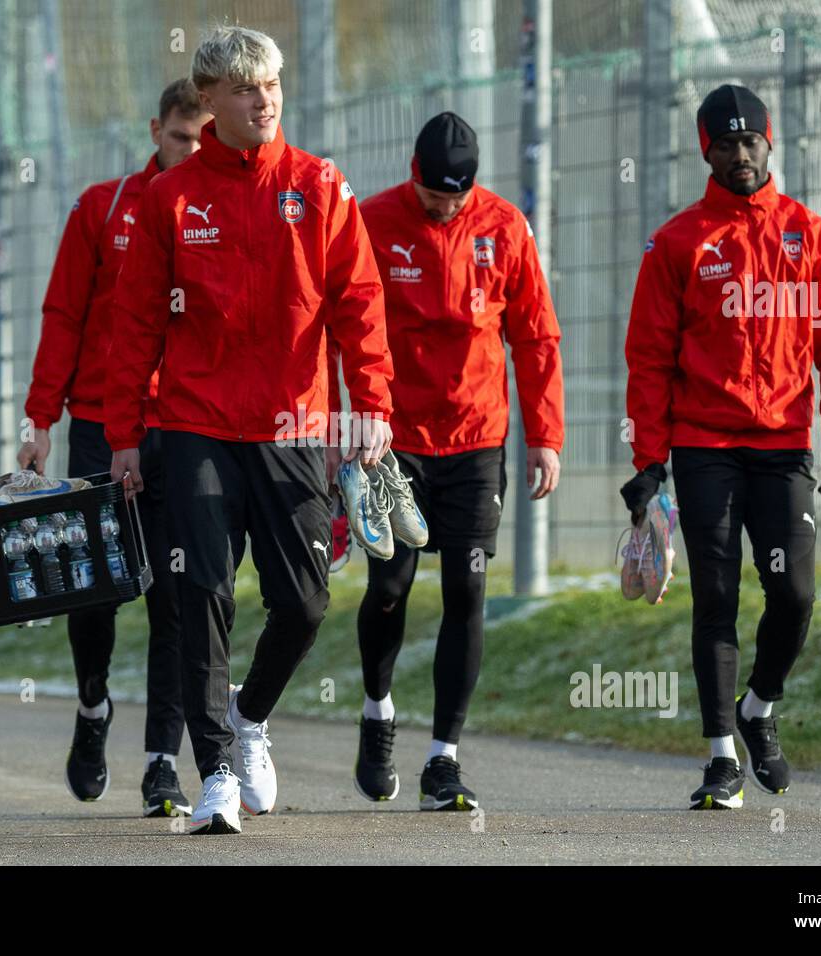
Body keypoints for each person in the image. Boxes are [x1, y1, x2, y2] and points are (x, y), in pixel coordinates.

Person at [104, 25, 394, 834]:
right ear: (209, 103)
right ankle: (217, 776)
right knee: (199, 594)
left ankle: (250, 715)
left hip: (294, 425)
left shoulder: (319, 185)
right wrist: (125, 433)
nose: (262, 99)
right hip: (193, 423)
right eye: (243, 89)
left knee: (303, 604)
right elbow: (132, 326)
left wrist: (370, 399)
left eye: (269, 85)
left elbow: (360, 302)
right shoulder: (171, 198)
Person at [621, 85, 821, 810]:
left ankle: (760, 705)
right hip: (705, 446)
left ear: (769, 143)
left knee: (793, 593)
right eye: (723, 144)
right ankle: (720, 757)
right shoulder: (678, 243)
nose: (739, 155)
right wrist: (649, 461)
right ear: (706, 150)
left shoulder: (811, 237)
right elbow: (649, 358)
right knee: (717, 597)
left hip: (785, 445)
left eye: (749, 142)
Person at [340, 113, 564, 810]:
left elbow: (535, 337)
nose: (443, 208)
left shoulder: (505, 227)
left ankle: (444, 759)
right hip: (393, 436)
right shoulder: (372, 221)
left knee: (467, 591)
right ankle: (378, 713)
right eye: (432, 195)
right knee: (390, 584)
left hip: (475, 435)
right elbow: (339, 321)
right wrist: (340, 421)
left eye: (454, 199)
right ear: (413, 172)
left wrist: (546, 435)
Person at [18, 79, 211, 818]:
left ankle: (162, 763)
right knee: (95, 591)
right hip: (101, 422)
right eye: (179, 138)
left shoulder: (217, 211)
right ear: (155, 128)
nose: (190, 152)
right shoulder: (103, 207)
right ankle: (93, 707)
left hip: (184, 425)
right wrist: (41, 419)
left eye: (202, 141)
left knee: (175, 595)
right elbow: (64, 313)